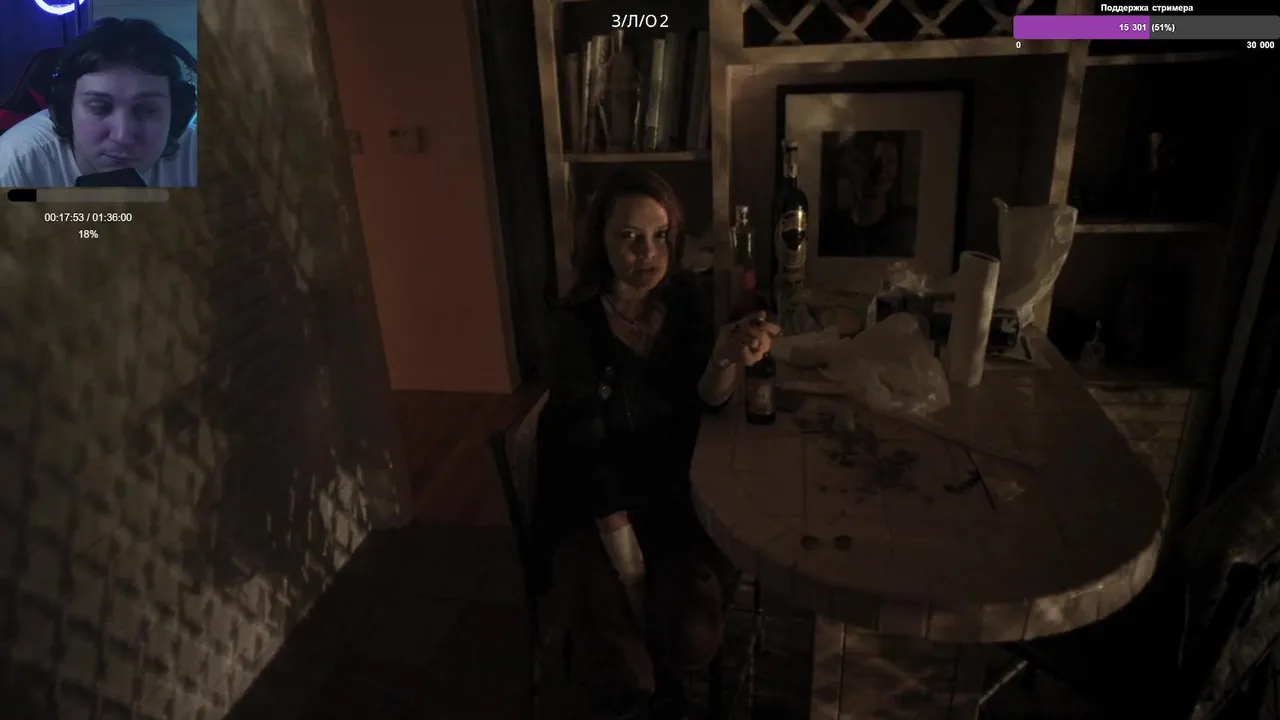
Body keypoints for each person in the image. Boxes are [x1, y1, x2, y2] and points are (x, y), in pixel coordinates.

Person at [534, 170, 780, 719]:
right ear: (599, 240)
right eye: (629, 236)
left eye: (660, 236)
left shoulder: (687, 301)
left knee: (691, 635)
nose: (648, 253)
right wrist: (632, 572)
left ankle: (665, 681)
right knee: (622, 671)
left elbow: (708, 400)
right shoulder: (572, 326)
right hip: (592, 510)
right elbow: (589, 456)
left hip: (673, 498)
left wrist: (727, 355)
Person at [0, 18, 197, 188]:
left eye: (148, 110)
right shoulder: (15, 163)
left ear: (176, 116)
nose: (122, 137)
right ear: (66, 111)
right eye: (99, 108)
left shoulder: (202, 156)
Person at [818, 131, 917, 258]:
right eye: (873, 160)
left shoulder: (907, 226)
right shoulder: (830, 228)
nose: (881, 170)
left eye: (890, 162)